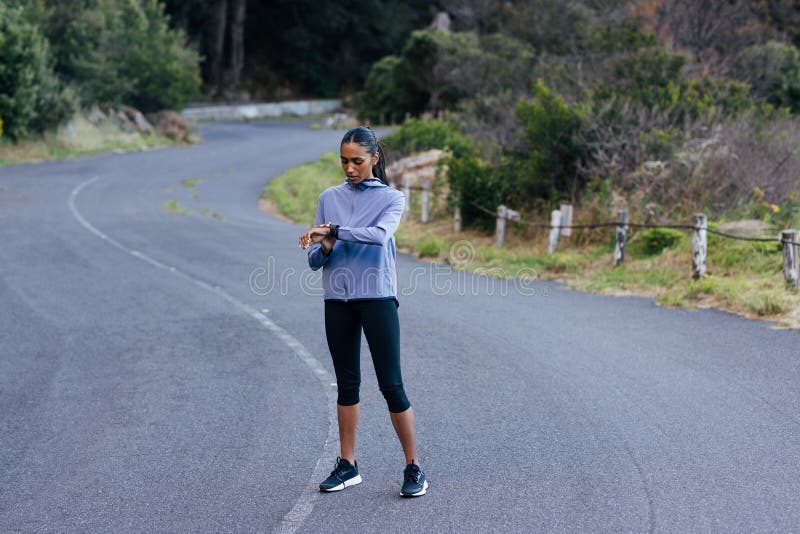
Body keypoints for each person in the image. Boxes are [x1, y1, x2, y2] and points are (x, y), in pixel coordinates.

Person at [298, 126, 428, 498]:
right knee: (347, 384)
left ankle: (414, 467)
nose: (350, 168)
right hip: (337, 299)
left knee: (391, 384)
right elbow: (314, 259)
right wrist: (324, 246)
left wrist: (335, 230)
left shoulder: (393, 198)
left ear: (374, 158)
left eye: (357, 161)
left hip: (377, 297)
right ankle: (347, 465)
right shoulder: (328, 197)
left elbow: (379, 235)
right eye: (344, 161)